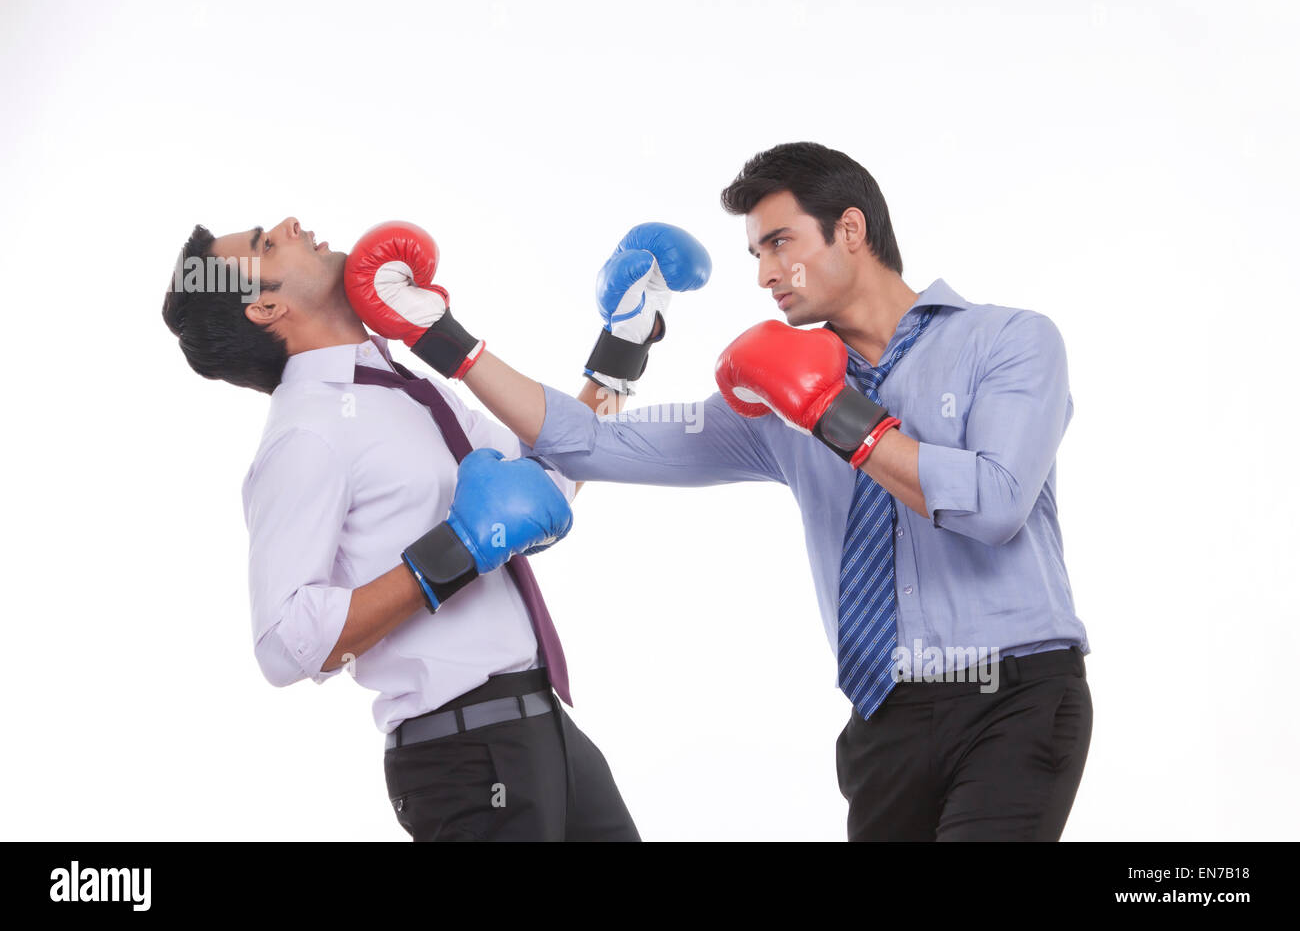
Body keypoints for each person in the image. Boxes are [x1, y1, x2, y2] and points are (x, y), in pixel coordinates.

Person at [349, 142, 1094, 841]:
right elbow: (595, 442)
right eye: (755, 254)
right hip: (883, 723)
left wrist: (835, 417)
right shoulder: (772, 404)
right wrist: (444, 337)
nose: (766, 275)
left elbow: (996, 503)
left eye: (780, 243)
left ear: (852, 230)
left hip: (1015, 698)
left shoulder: (1009, 342)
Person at [160, 216, 642, 841]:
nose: (291, 224)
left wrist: (627, 340)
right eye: (266, 244)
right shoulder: (305, 434)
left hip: (548, 732)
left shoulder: (401, 391)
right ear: (266, 307)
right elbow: (283, 643)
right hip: (465, 754)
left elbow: (551, 473)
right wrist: (456, 552)